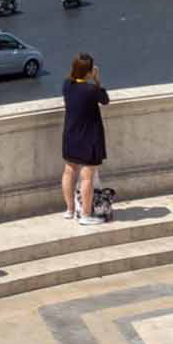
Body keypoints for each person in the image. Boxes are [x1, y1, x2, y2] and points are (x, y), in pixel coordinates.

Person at [61, 54, 111, 224]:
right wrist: (96, 80)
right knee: (87, 176)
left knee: (69, 171)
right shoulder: (91, 90)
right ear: (89, 72)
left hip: (70, 135)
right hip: (89, 137)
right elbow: (105, 100)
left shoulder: (67, 85)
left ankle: (69, 210)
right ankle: (86, 214)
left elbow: (74, 80)